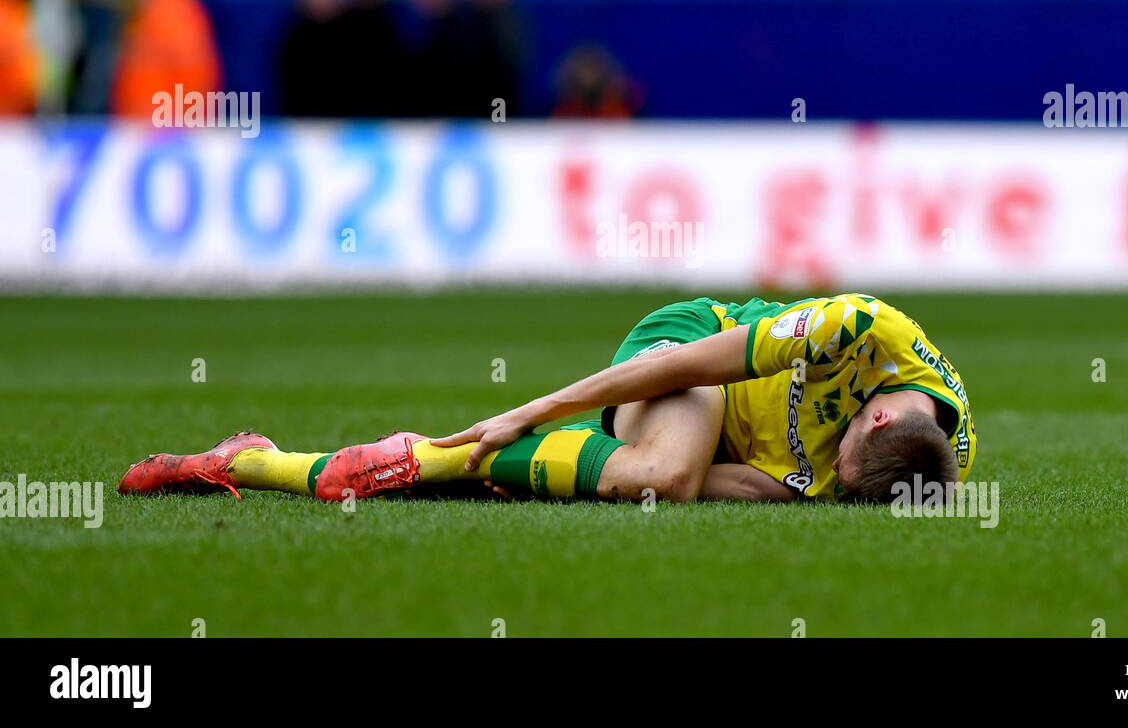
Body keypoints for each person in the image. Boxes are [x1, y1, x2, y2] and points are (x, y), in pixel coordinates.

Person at [119, 293, 976, 504]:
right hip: (684, 358)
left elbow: (798, 487)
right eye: (847, 445)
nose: (835, 463)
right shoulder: (853, 327)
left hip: (737, 453)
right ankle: (459, 450)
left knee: (671, 483)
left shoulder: (923, 466)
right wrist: (528, 412)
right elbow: (694, 366)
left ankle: (256, 459)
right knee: (665, 475)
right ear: (881, 409)